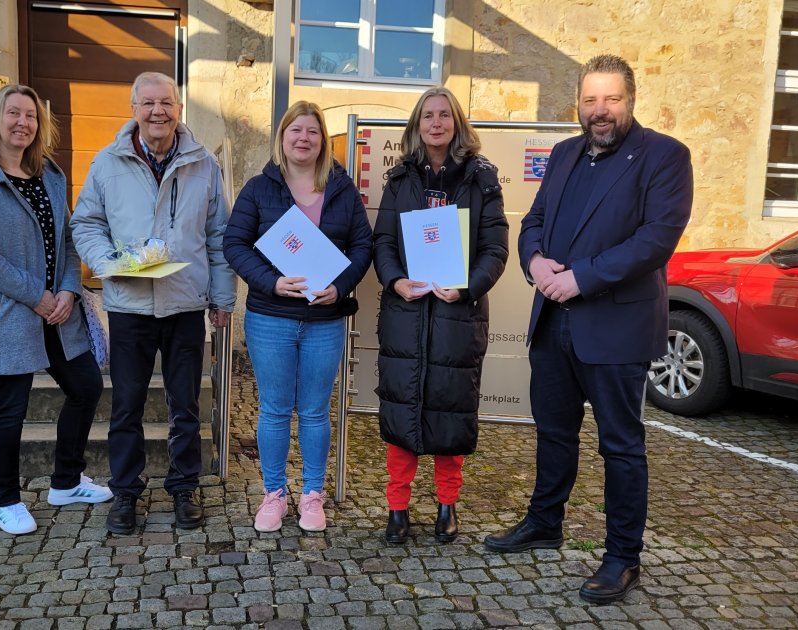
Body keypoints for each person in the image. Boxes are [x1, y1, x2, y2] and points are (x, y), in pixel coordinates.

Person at [483, 54, 693, 605]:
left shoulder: (664, 157)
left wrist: (580, 278)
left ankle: (623, 557)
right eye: (590, 100)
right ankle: (545, 522)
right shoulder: (563, 154)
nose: (600, 111)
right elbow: (532, 223)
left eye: (611, 100)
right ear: (578, 104)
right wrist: (535, 264)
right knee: (553, 433)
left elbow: (656, 240)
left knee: (621, 447)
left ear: (631, 100)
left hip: (615, 327)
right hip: (554, 322)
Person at [71, 71, 236, 535]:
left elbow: (219, 236)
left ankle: (184, 487)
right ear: (134, 109)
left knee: (185, 405)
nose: (158, 111)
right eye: (148, 103)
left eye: (166, 102)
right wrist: (106, 262)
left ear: (179, 109)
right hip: (129, 306)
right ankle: (125, 493)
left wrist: (222, 299)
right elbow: (85, 224)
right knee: (126, 406)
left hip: (185, 305)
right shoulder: (108, 163)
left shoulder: (204, 164)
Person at [0, 84, 111, 536]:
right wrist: (35, 295)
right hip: (7, 311)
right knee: (10, 406)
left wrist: (66, 290)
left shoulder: (48, 173)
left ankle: (65, 481)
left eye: (31, 116)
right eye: (14, 113)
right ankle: (3, 500)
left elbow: (65, 238)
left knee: (85, 386)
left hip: (56, 310)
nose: (23, 122)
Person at [224, 101, 372, 533]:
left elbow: (363, 247)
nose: (303, 138)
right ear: (282, 138)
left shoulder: (341, 189)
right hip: (271, 316)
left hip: (325, 320)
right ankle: (273, 494)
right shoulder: (259, 188)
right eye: (295, 131)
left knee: (313, 410)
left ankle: (311, 495)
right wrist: (272, 282)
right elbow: (236, 245)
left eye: (312, 131)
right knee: (272, 409)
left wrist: (340, 286)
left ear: (322, 139)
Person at [372, 87, 509, 545]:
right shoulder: (400, 179)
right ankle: (397, 509)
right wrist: (394, 281)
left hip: (457, 313)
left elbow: (495, 249)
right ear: (416, 124)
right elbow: (384, 243)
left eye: (444, 115)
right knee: (401, 408)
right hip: (407, 311)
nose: (435, 123)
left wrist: (468, 286)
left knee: (452, 410)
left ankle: (448, 506)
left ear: (457, 122)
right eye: (427, 115)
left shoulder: (481, 179)